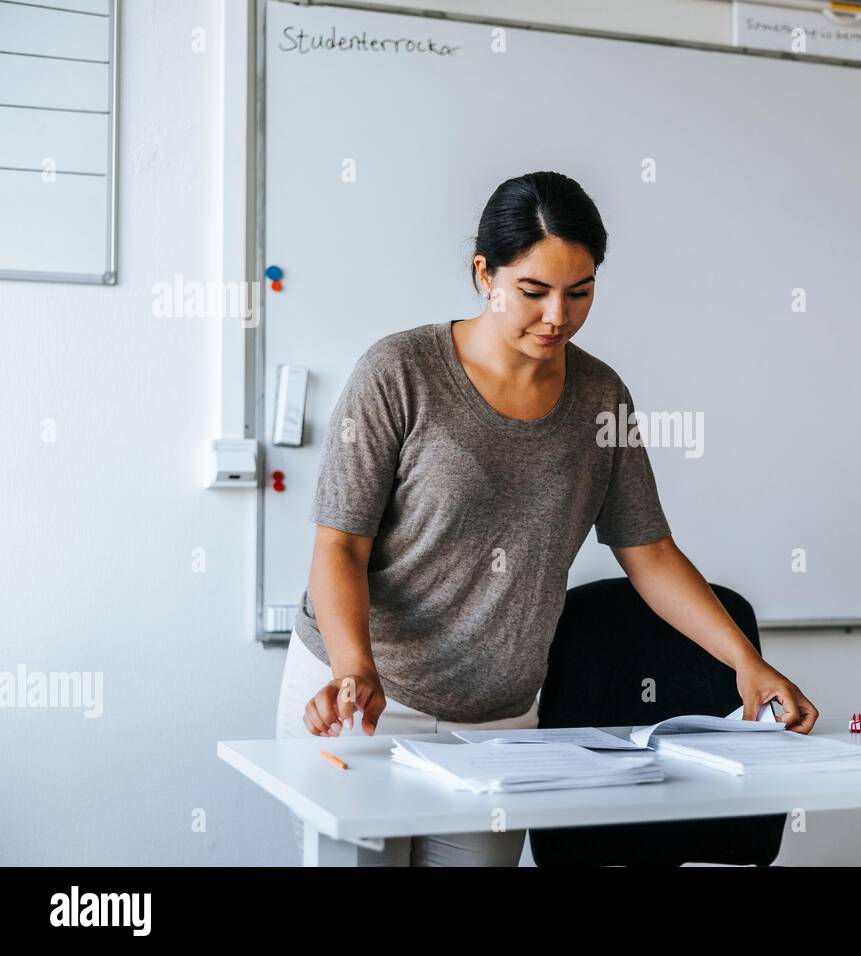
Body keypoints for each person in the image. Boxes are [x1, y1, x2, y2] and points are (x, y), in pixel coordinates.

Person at [274, 170, 819, 866]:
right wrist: (355, 668)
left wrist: (746, 663)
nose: (557, 315)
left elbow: (648, 551)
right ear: (485, 273)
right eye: (534, 291)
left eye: (580, 291)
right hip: (362, 699)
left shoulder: (600, 396)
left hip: (498, 726)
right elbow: (340, 546)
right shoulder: (398, 373)